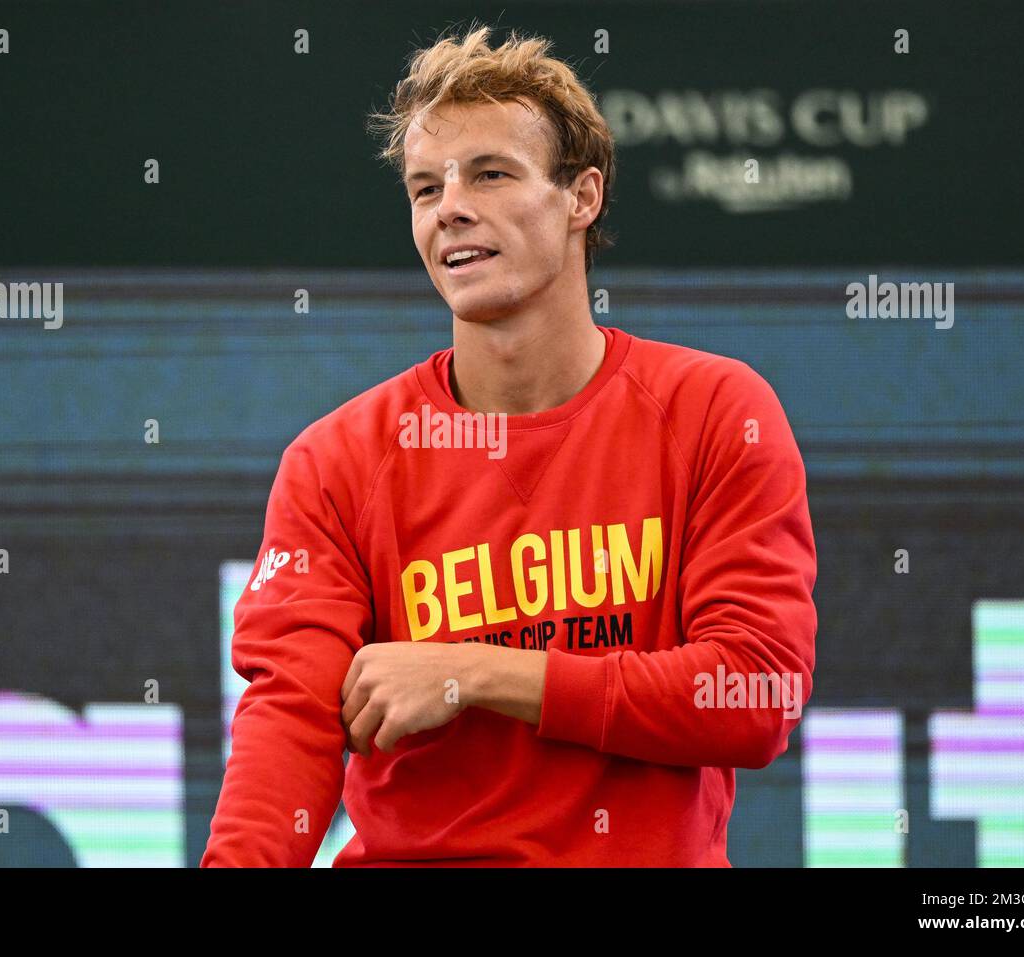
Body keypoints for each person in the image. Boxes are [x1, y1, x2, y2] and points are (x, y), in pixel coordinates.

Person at [201, 23, 817, 867]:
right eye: (425, 188)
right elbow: (289, 725)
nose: (450, 204)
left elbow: (753, 694)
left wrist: (477, 673)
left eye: (490, 174)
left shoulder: (715, 410)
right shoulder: (336, 460)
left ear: (583, 197)